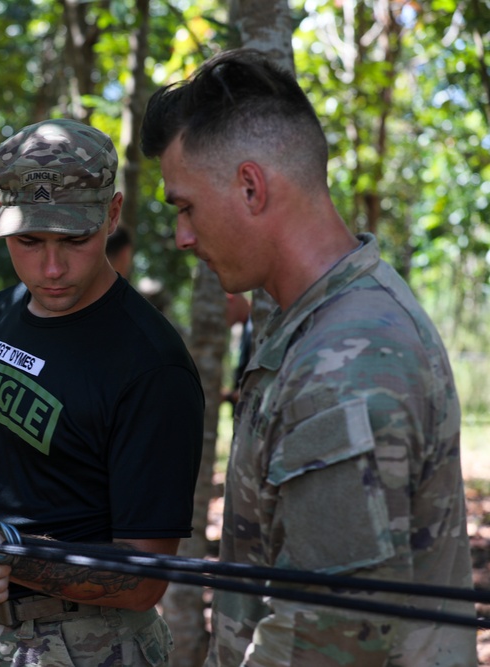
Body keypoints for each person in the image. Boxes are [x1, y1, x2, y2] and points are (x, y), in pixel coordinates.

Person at [140, 48, 476, 666]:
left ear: (251, 187)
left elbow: (327, 638)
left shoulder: (347, 363)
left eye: (186, 207)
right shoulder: (317, 322)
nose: (183, 237)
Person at [0, 118, 205, 666]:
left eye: (75, 240)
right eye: (29, 241)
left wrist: (14, 560)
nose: (53, 267)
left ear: (112, 214)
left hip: (92, 647)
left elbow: (144, 580)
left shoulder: (151, 364)